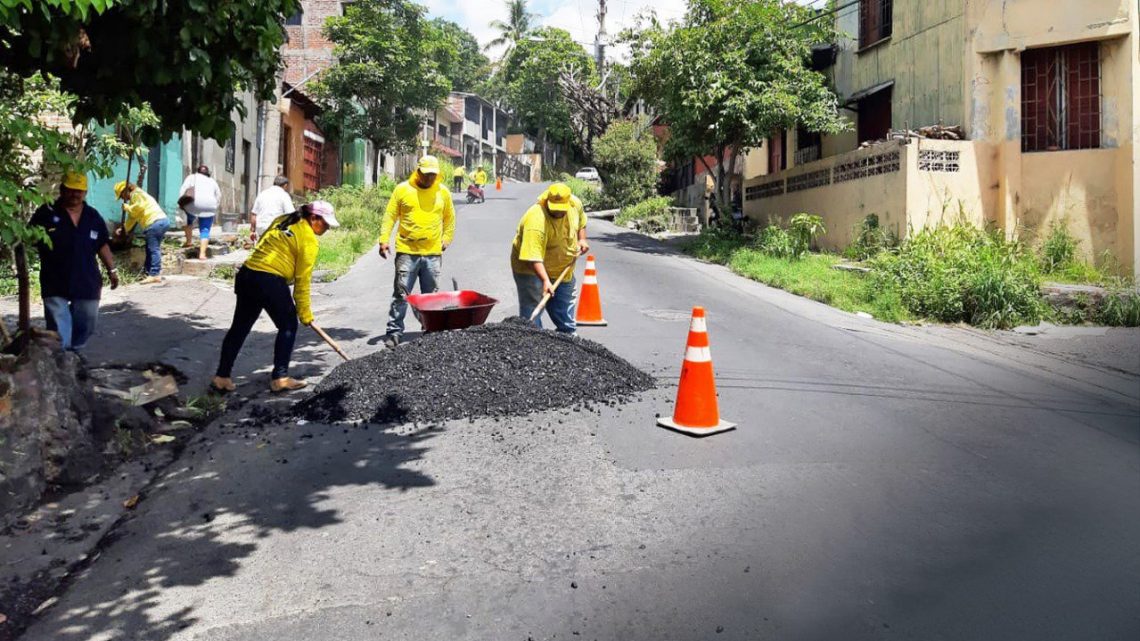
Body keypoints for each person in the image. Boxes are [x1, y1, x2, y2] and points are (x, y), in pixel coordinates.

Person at [211, 201, 340, 394]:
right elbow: (302, 281)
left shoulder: (283, 220)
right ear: (314, 218)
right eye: (326, 223)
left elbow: (263, 241)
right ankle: (280, 378)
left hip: (248, 274)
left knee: (240, 327)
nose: (327, 228)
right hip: (269, 280)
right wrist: (305, 314)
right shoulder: (308, 239)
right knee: (288, 325)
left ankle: (222, 377)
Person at [28, 172, 119, 351]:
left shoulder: (92, 216)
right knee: (59, 326)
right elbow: (30, 237)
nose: (75, 194)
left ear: (85, 193)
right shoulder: (46, 212)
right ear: (62, 189)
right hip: (54, 279)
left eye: (79, 191)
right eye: (71, 190)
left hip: (86, 279)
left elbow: (102, 245)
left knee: (87, 320)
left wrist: (112, 270)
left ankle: (76, 351)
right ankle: (62, 357)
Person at [378, 155, 455, 348]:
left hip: (432, 253)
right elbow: (390, 216)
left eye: (433, 175)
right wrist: (383, 240)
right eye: (426, 174)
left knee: (431, 296)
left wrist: (446, 239)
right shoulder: (402, 190)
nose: (430, 178)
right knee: (401, 294)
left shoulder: (443, 192)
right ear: (418, 171)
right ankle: (394, 332)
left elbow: (449, 218)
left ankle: (430, 329)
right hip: (407, 252)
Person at [509, 183, 588, 334]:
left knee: (565, 312)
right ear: (547, 201)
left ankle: (568, 339)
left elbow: (581, 221)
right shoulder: (536, 219)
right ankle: (533, 339)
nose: (558, 212)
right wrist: (545, 280)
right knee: (532, 312)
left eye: (562, 209)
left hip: (562, 268)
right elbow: (533, 258)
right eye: (555, 208)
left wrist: (582, 239)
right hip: (531, 270)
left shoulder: (575, 204)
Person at [114, 181, 171, 284]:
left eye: (121, 196)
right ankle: (147, 273)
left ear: (125, 191)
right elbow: (132, 218)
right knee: (150, 248)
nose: (123, 199)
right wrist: (124, 229)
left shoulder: (137, 193)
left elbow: (139, 208)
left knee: (153, 249)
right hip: (160, 222)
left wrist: (127, 208)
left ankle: (155, 274)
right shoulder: (134, 199)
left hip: (154, 222)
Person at [178, 164, 221, 259]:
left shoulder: (191, 177)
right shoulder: (212, 181)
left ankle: (189, 241)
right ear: (208, 173)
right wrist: (214, 207)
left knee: (188, 221)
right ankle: (202, 254)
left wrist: (181, 204)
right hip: (209, 206)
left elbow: (183, 190)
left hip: (193, 205)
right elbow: (218, 196)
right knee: (205, 229)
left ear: (197, 171)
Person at [249, 175, 295, 242]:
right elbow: (291, 215)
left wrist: (252, 231)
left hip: (261, 230)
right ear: (285, 185)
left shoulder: (262, 194)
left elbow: (254, 214)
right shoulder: (284, 195)